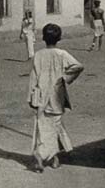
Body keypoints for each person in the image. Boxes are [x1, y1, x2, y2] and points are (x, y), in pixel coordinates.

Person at [28, 23, 84, 172]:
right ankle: (41, 154)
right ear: (59, 38)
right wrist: (64, 78)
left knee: (43, 125)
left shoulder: (38, 55)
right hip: (56, 95)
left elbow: (33, 77)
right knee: (54, 125)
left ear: (43, 38)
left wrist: (30, 97)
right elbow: (78, 66)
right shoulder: (62, 54)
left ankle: (54, 158)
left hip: (40, 94)